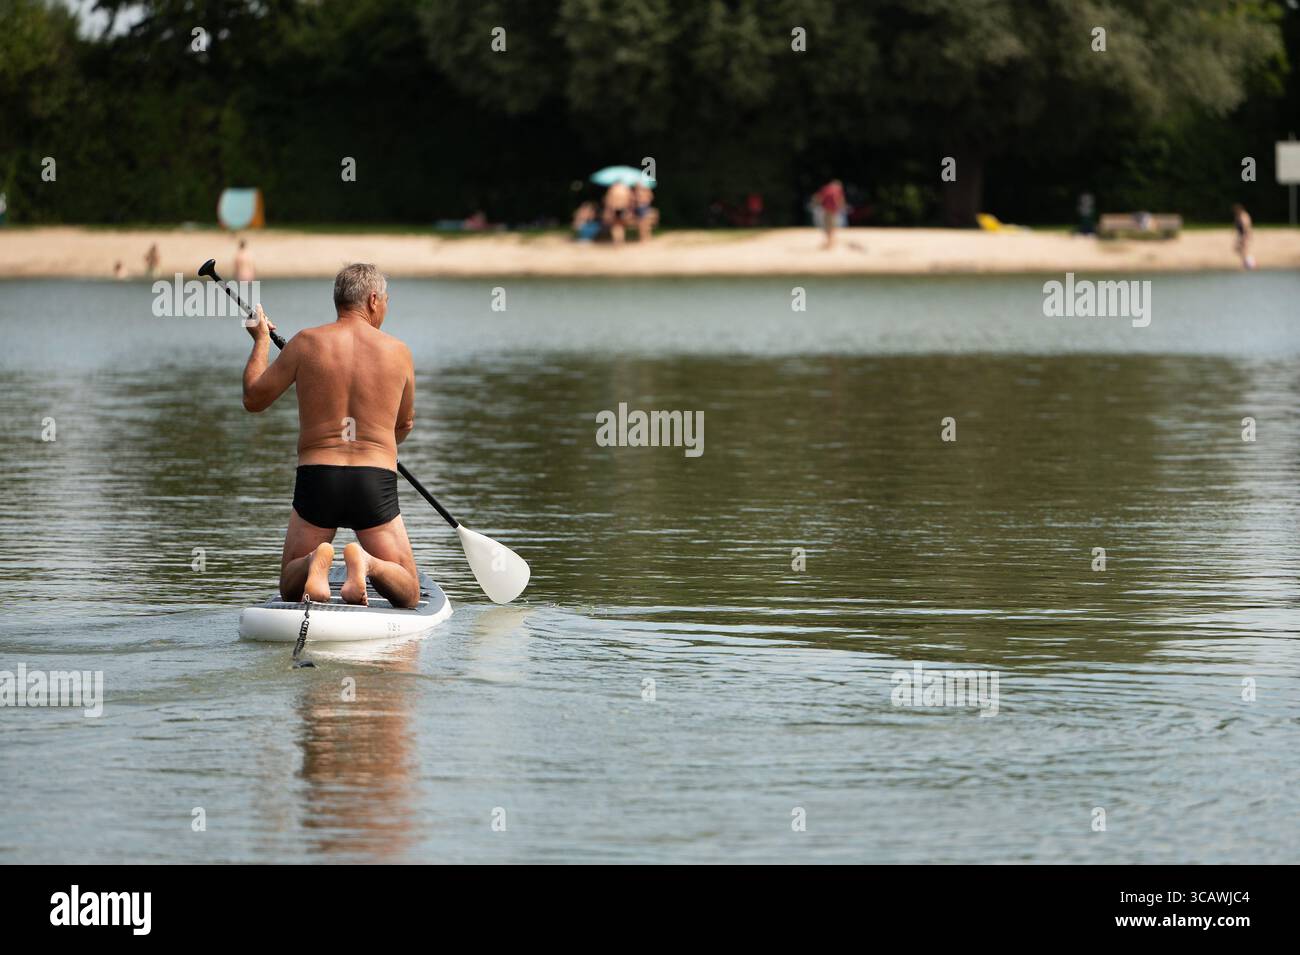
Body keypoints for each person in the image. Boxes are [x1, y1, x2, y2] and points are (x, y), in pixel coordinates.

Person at [241, 263, 421, 608]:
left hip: (318, 479)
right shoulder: (398, 352)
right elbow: (404, 425)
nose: (385, 307)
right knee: (409, 593)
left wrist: (262, 340)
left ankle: (313, 562)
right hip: (373, 481)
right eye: (385, 301)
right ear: (372, 300)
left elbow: (254, 398)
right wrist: (378, 443)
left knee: (289, 587)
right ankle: (367, 563)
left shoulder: (305, 343)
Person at [813, 179, 847, 249]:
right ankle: (830, 241)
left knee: (827, 225)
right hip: (833, 210)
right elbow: (839, 199)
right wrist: (841, 207)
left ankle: (829, 241)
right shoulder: (837, 190)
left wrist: (816, 205)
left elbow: (818, 197)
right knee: (832, 225)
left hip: (826, 209)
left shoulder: (826, 188)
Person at [1232, 203, 1255, 270]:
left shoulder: (1244, 216)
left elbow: (1246, 227)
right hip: (1241, 235)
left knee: (1244, 249)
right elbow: (1236, 224)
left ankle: (1250, 263)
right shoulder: (1238, 216)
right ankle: (1247, 263)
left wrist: (1245, 236)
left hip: (1245, 234)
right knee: (1238, 249)